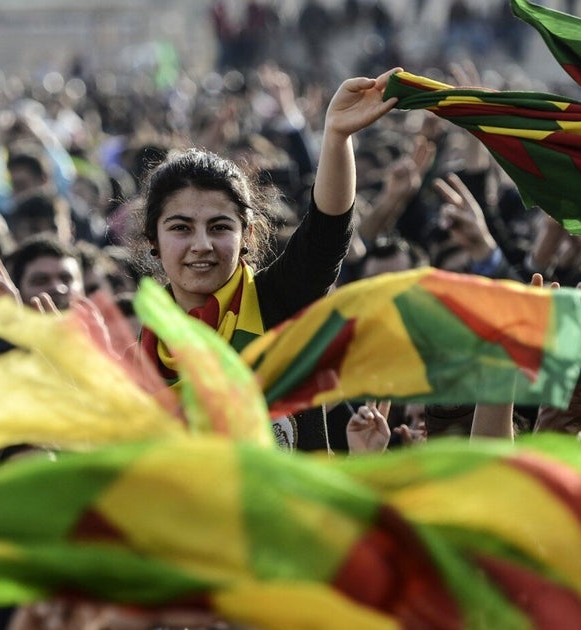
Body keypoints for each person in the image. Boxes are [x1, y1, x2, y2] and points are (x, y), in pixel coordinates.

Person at [135, 70, 400, 450]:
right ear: (153, 240)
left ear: (249, 235)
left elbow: (327, 231)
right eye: (180, 228)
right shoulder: (136, 358)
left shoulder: (279, 301)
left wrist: (337, 136)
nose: (201, 245)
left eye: (219, 227)